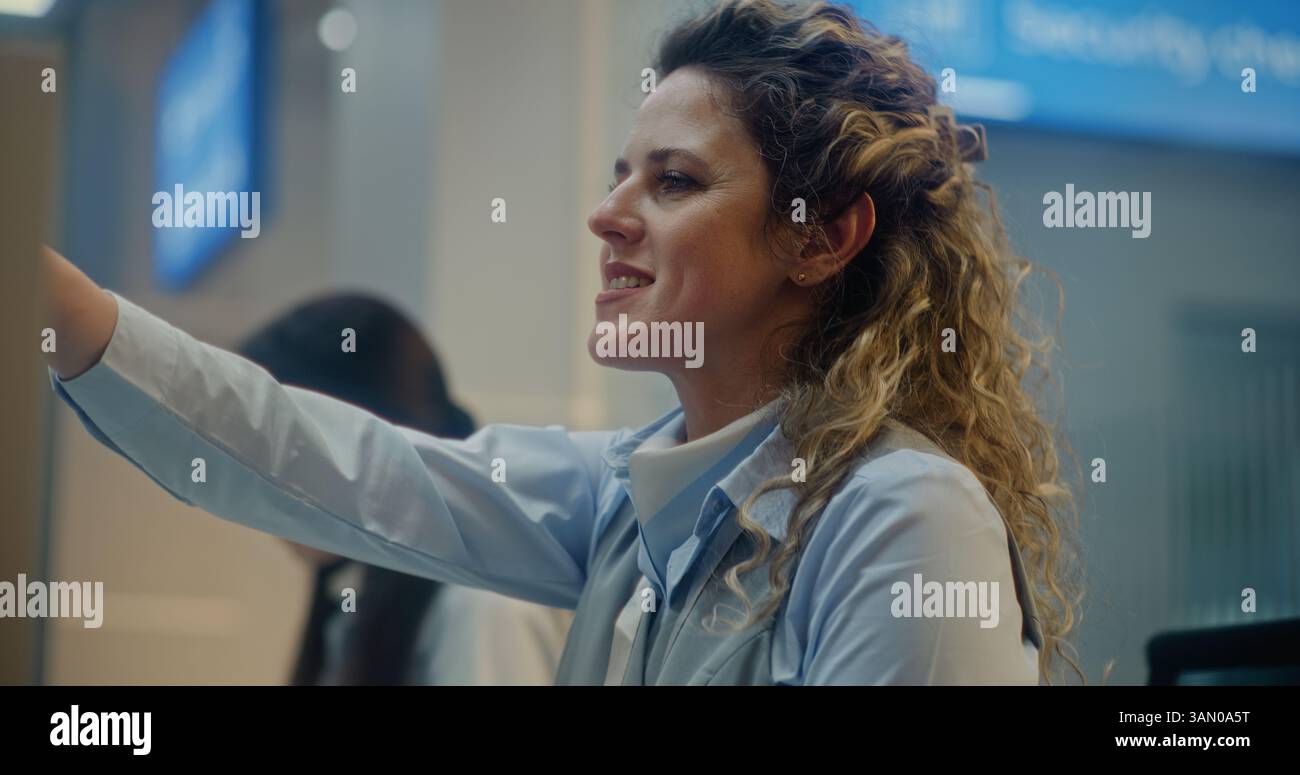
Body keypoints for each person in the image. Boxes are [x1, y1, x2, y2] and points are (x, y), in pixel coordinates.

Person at [42, 0, 1082, 685]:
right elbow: (322, 460)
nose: (607, 214)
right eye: (619, 173)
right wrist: (56, 305)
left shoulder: (901, 516)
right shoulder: (626, 498)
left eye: (672, 181)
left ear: (821, 234)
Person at [234, 294, 573, 685]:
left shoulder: (484, 605)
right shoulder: (354, 589)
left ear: (362, 444)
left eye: (278, 454)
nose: (259, 487)